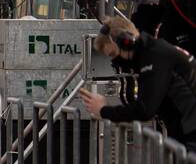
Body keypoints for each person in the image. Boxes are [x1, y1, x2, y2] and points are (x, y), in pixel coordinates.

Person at [79, 17, 196, 152]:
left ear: (126, 42)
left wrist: (104, 110)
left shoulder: (155, 56)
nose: (115, 61)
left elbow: (145, 110)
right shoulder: (152, 53)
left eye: (113, 54)